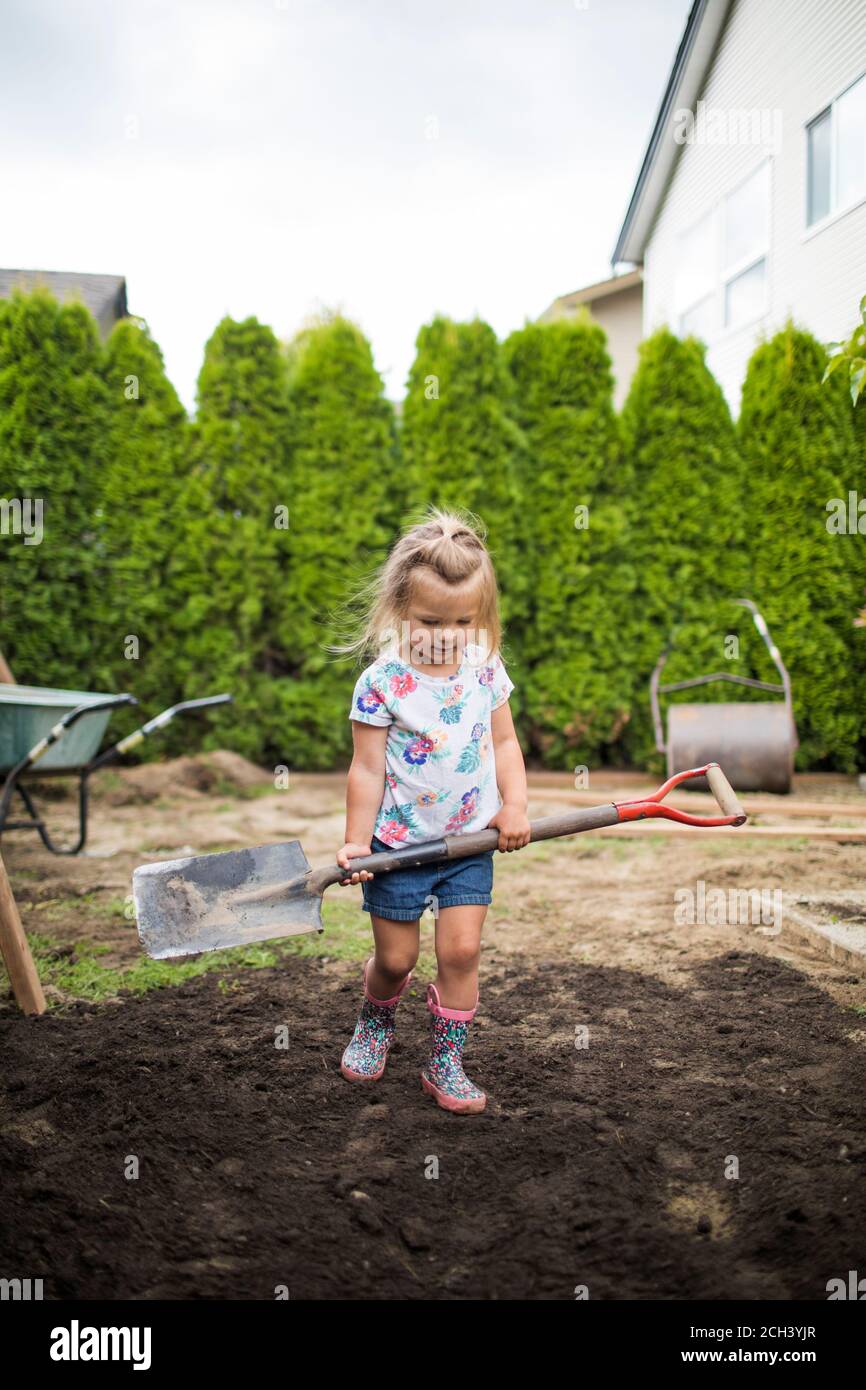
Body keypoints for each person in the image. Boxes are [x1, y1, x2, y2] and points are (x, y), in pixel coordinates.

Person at [334, 507, 530, 1114]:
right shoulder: (382, 682)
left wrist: (515, 805)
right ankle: (376, 1019)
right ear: (399, 609)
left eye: (463, 621)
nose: (447, 634)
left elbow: (503, 743)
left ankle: (446, 1059)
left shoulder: (484, 669)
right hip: (399, 845)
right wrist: (356, 843)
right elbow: (367, 769)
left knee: (461, 952)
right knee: (396, 961)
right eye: (429, 620)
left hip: (470, 842)